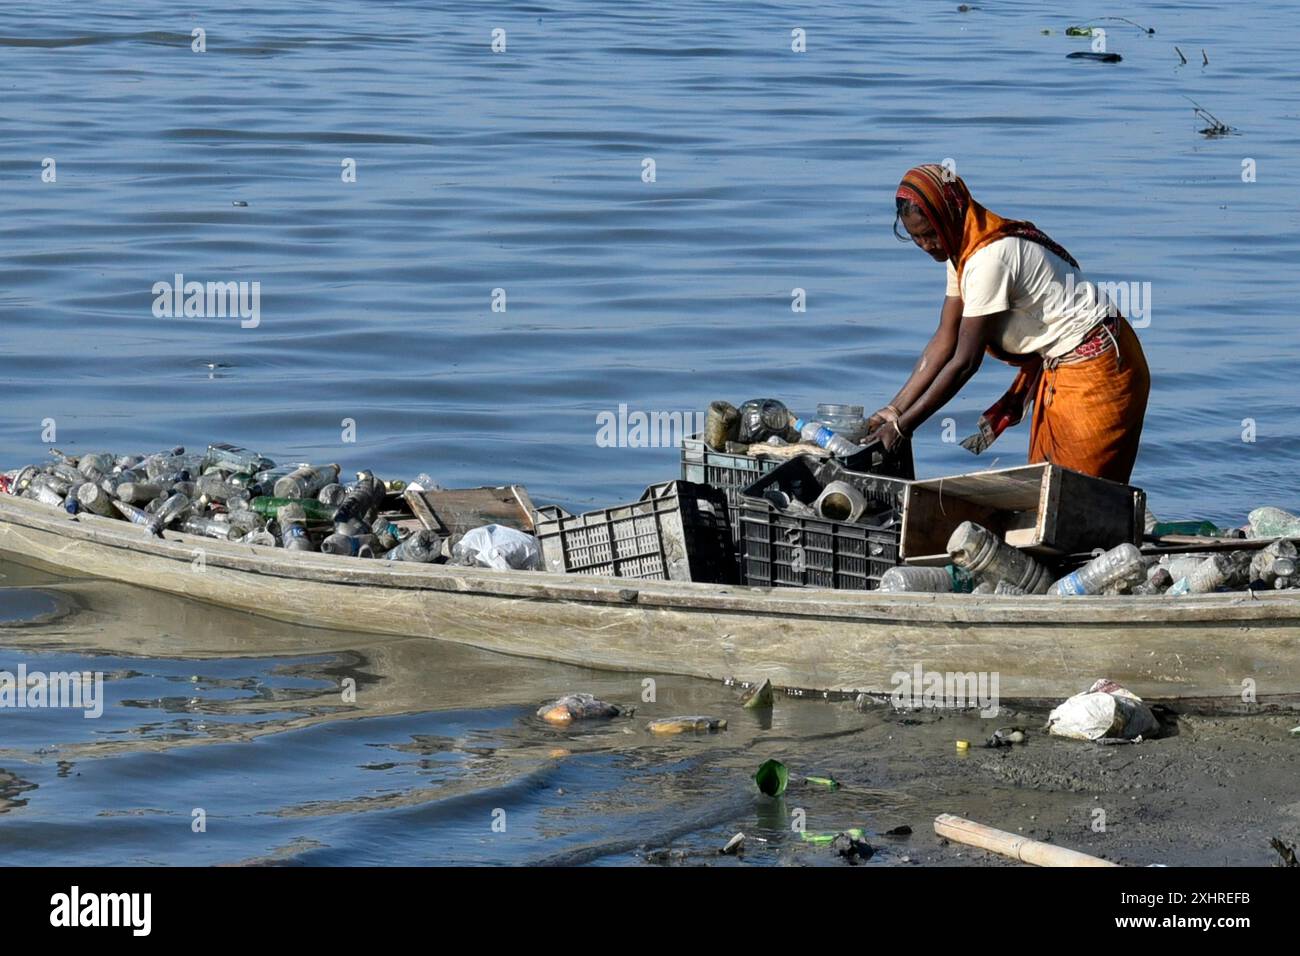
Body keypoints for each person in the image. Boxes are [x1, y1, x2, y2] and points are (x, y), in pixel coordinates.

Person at [867, 164, 1150, 483]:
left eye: (930, 234)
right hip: (1064, 366)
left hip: (1099, 369)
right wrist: (893, 411)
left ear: (947, 217)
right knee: (1051, 484)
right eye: (916, 238)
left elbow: (964, 362)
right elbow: (945, 340)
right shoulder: (961, 248)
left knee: (1079, 489)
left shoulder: (989, 258)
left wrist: (904, 427)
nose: (927, 245)